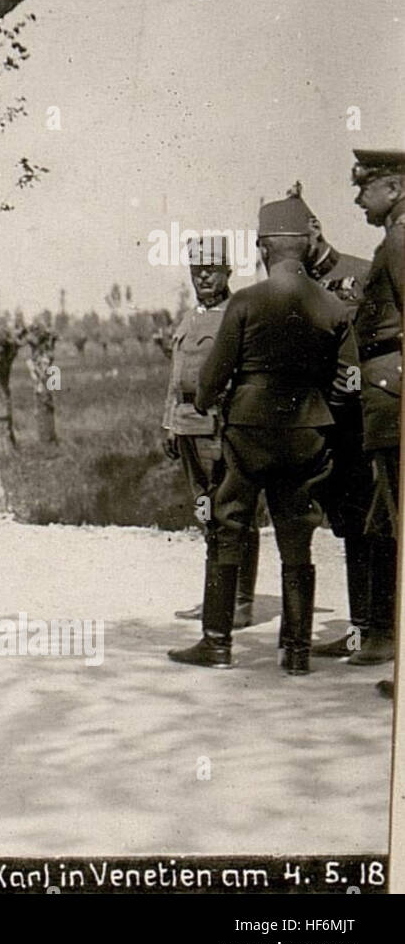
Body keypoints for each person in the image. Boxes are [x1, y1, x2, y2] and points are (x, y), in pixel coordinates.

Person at [169, 196, 358, 674]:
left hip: (249, 433)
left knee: (227, 527)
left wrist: (208, 401)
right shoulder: (334, 305)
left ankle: (217, 645)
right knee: (297, 538)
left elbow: (212, 378)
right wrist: (321, 412)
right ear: (304, 244)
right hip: (309, 434)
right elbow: (349, 378)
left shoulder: (246, 303)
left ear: (263, 249)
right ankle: (296, 653)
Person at [293, 190, 379, 664]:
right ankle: (359, 627)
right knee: (347, 523)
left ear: (315, 229)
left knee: (374, 520)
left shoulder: (362, 272)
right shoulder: (294, 284)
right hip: (325, 423)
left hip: (365, 417)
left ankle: (379, 629)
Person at [161, 239, 258, 628]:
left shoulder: (235, 315)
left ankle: (240, 602)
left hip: (220, 426)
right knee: (206, 513)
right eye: (196, 269)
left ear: (227, 272)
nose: (203, 276)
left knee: (232, 514)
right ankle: (215, 597)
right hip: (187, 426)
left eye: (212, 269)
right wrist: (169, 423)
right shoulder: (189, 318)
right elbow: (175, 378)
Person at [348, 148, 404, 700]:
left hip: (395, 395)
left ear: (393, 187)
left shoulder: (400, 240)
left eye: (364, 186)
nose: (357, 195)